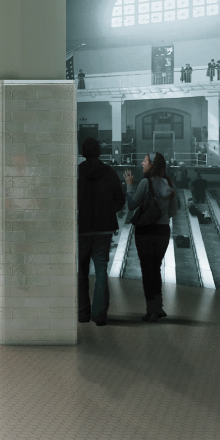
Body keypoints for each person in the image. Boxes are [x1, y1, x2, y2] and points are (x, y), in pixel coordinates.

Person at [76, 138, 127, 325]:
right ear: (100, 152)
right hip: (103, 230)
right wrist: (106, 211)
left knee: (81, 273)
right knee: (100, 271)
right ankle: (99, 315)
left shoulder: (76, 173)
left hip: (81, 228)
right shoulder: (110, 172)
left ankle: (83, 314)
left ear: (82, 153)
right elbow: (120, 200)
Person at [124, 152, 176, 322]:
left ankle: (151, 310)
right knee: (156, 267)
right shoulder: (169, 183)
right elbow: (174, 210)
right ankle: (159, 307)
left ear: (152, 165)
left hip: (146, 231)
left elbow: (132, 206)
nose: (142, 163)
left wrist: (129, 186)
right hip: (163, 230)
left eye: (145, 161)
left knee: (147, 270)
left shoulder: (145, 183)